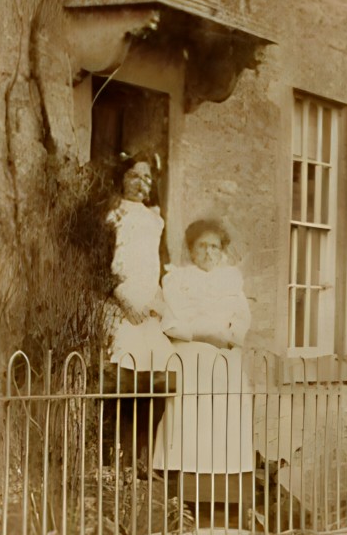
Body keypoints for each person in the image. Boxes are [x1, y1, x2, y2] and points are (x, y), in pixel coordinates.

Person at [153, 219, 253, 476]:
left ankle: (222, 476)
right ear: (191, 249)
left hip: (225, 356)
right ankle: (183, 475)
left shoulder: (231, 279)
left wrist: (229, 338)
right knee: (190, 416)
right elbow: (173, 322)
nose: (209, 253)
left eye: (215, 247)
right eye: (203, 246)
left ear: (222, 251)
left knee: (224, 415)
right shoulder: (177, 279)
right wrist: (207, 335)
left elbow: (242, 318)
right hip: (191, 352)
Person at [108, 160, 173, 371]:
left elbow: (157, 262)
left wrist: (157, 296)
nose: (140, 183)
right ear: (122, 178)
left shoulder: (155, 220)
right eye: (134, 176)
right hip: (119, 299)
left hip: (148, 303)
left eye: (146, 178)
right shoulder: (112, 213)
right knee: (124, 365)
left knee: (157, 366)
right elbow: (102, 262)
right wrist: (125, 302)